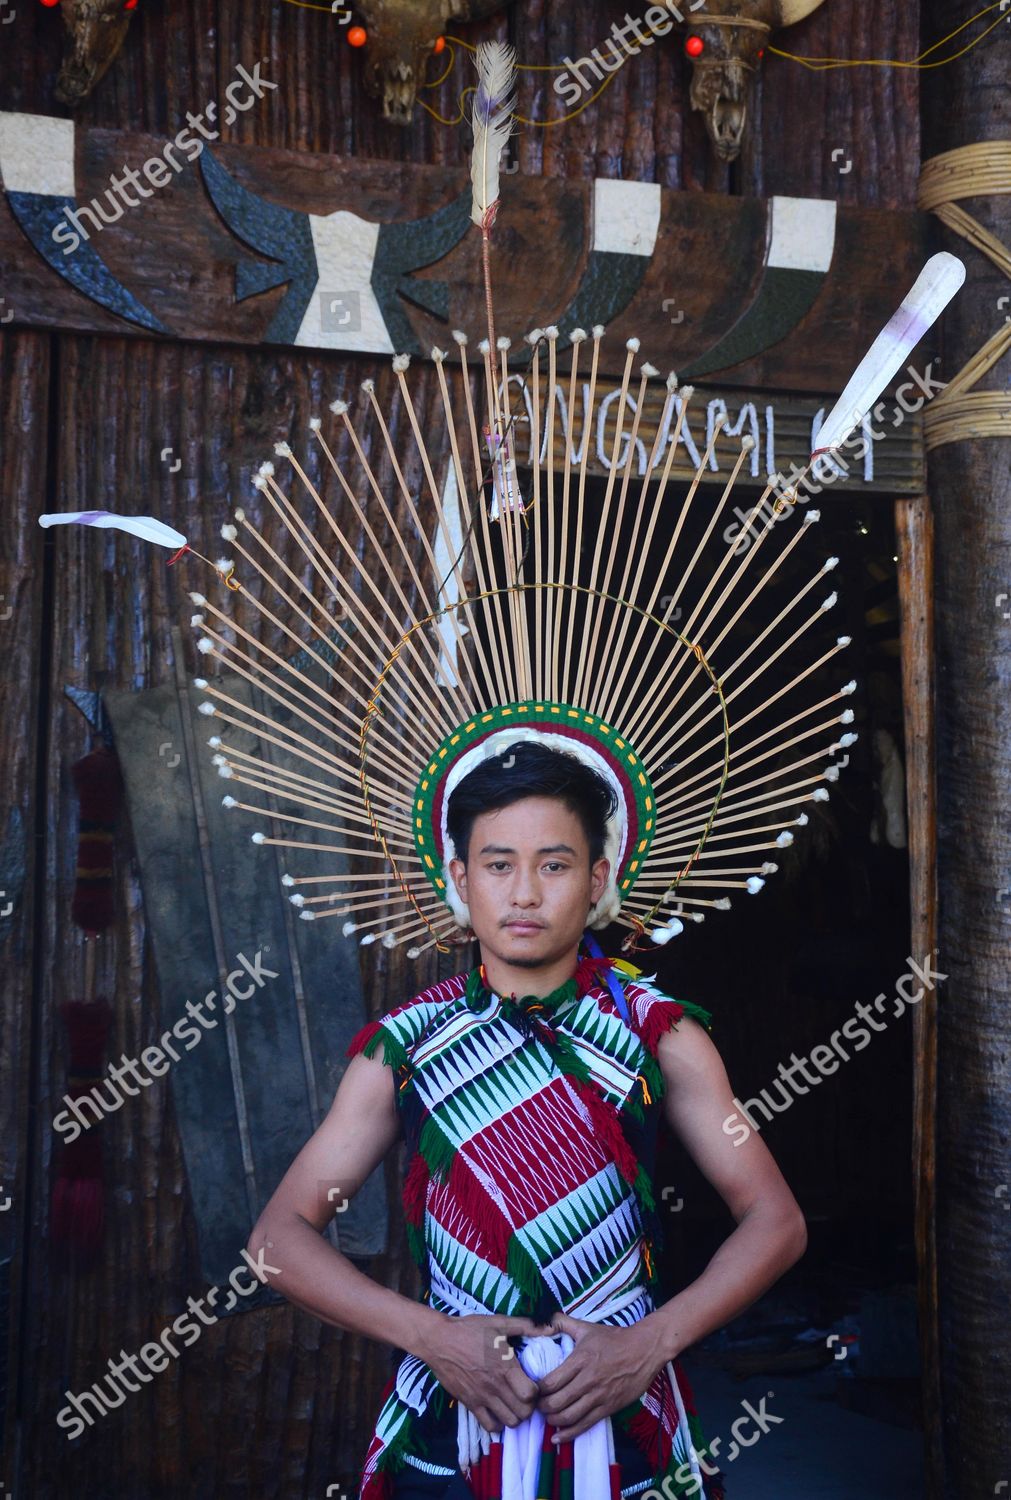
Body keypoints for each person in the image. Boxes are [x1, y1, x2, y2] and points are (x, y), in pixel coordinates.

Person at [244, 740, 808, 1500]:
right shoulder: (405, 1046)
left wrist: (647, 1345)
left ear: (597, 878)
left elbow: (775, 1221)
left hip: (624, 1423)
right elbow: (275, 1242)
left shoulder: (658, 1035)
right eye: (498, 864)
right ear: (459, 878)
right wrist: (433, 1338)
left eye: (554, 864)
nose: (524, 894)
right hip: (453, 1425)